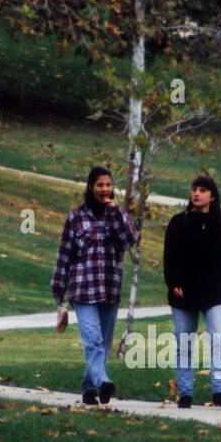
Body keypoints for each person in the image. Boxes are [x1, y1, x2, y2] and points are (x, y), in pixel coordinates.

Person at [51, 166, 139, 405]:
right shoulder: (76, 217)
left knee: (104, 342)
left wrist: (116, 216)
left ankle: (89, 388)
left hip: (110, 288)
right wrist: (59, 294)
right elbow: (65, 255)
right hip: (82, 288)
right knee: (93, 340)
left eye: (109, 185)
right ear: (91, 187)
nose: (105, 189)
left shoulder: (119, 214)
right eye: (100, 185)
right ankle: (103, 382)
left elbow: (128, 241)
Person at [163, 175, 221, 408]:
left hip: (215, 291)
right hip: (184, 291)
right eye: (194, 189)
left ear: (212, 196)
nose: (197, 193)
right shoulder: (179, 222)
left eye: (203, 190)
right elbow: (169, 256)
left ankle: (219, 391)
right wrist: (172, 282)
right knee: (184, 341)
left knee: (219, 337)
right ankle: (185, 393)